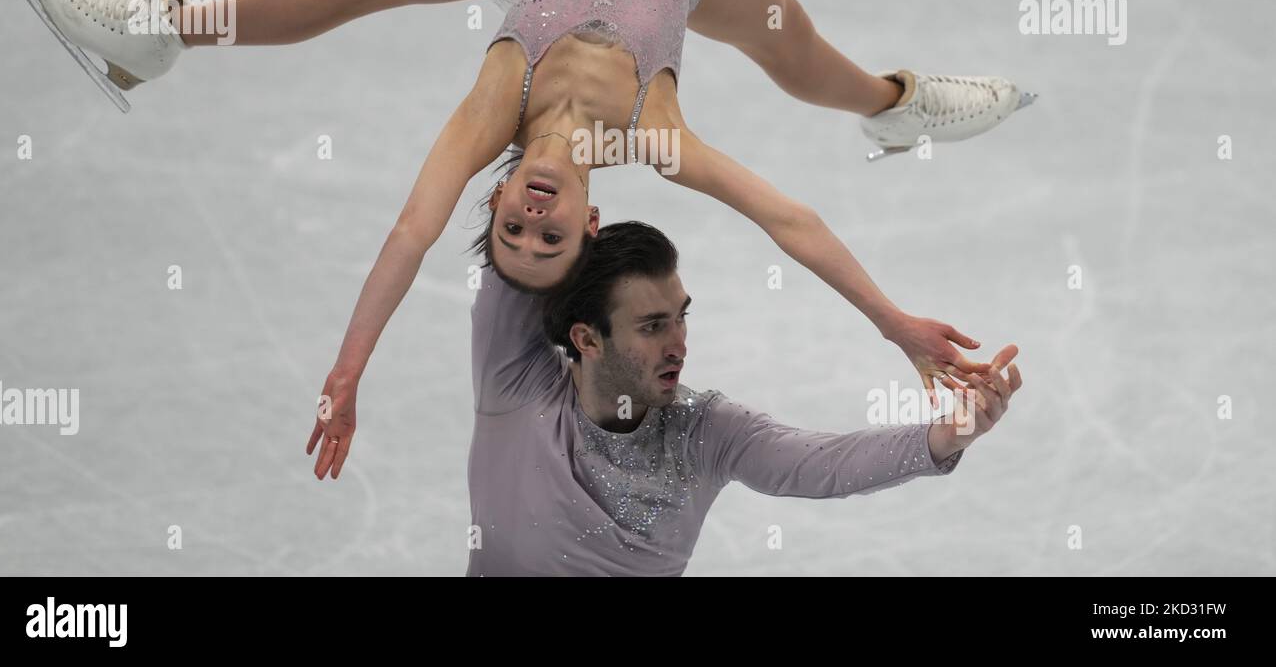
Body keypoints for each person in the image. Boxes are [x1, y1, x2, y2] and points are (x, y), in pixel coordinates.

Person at [27, 0, 1032, 402]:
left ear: (501, 198)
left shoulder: (493, 106)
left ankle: (159, 35)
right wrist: (892, 322)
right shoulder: (654, 133)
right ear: (592, 225)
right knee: (807, 58)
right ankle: (893, 104)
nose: (533, 218)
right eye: (550, 242)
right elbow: (793, 221)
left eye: (512, 227)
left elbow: (409, 235)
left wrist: (345, 373)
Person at [308, 220, 1022, 576]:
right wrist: (559, 187)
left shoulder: (704, 433)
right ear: (586, 339)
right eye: (653, 326)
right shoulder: (515, 383)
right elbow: (517, 245)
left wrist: (944, 437)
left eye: (681, 315)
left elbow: (819, 465)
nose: (678, 341)